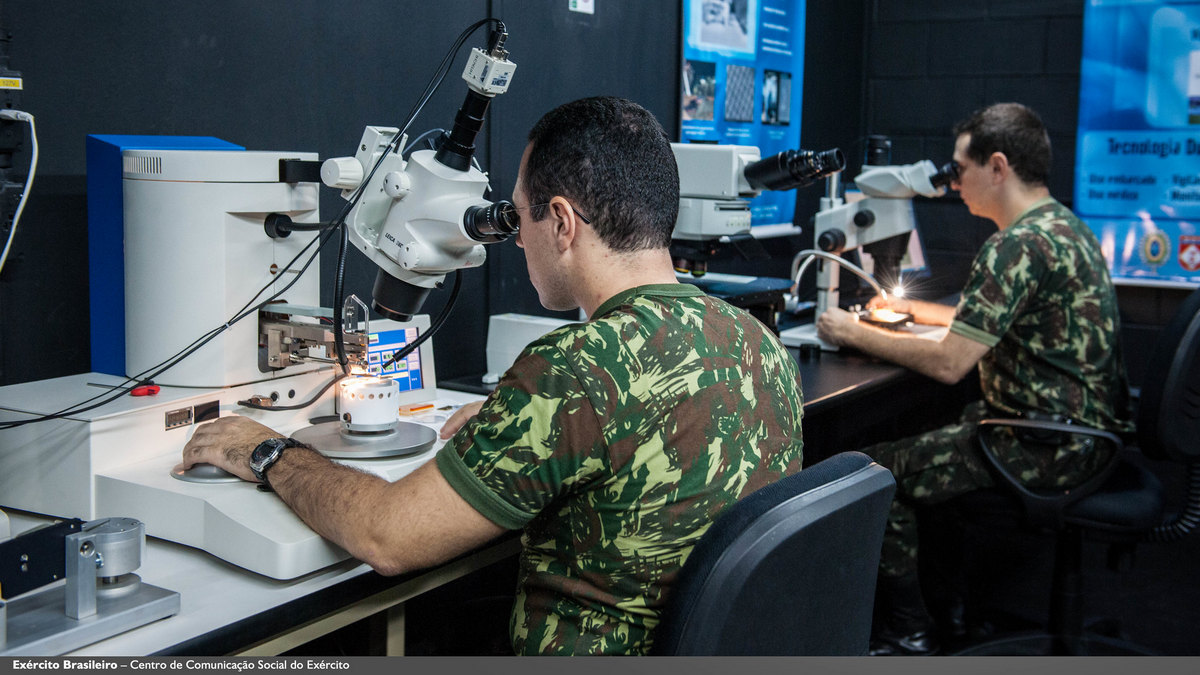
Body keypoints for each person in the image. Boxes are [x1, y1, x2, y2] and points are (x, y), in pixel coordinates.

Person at [181, 96, 805, 656]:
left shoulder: (572, 373)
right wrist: (523, 425)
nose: (516, 239)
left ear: (561, 223)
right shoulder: (758, 339)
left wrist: (265, 450)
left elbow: (386, 537)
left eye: (521, 218)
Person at [815, 103, 1133, 655]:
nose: (953, 183)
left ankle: (908, 633)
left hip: (1040, 443)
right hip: (1084, 435)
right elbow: (990, 324)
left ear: (999, 166)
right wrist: (907, 313)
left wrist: (848, 330)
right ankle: (953, 617)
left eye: (959, 169)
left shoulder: (1013, 246)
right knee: (940, 433)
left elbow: (950, 363)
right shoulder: (1062, 226)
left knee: (874, 475)